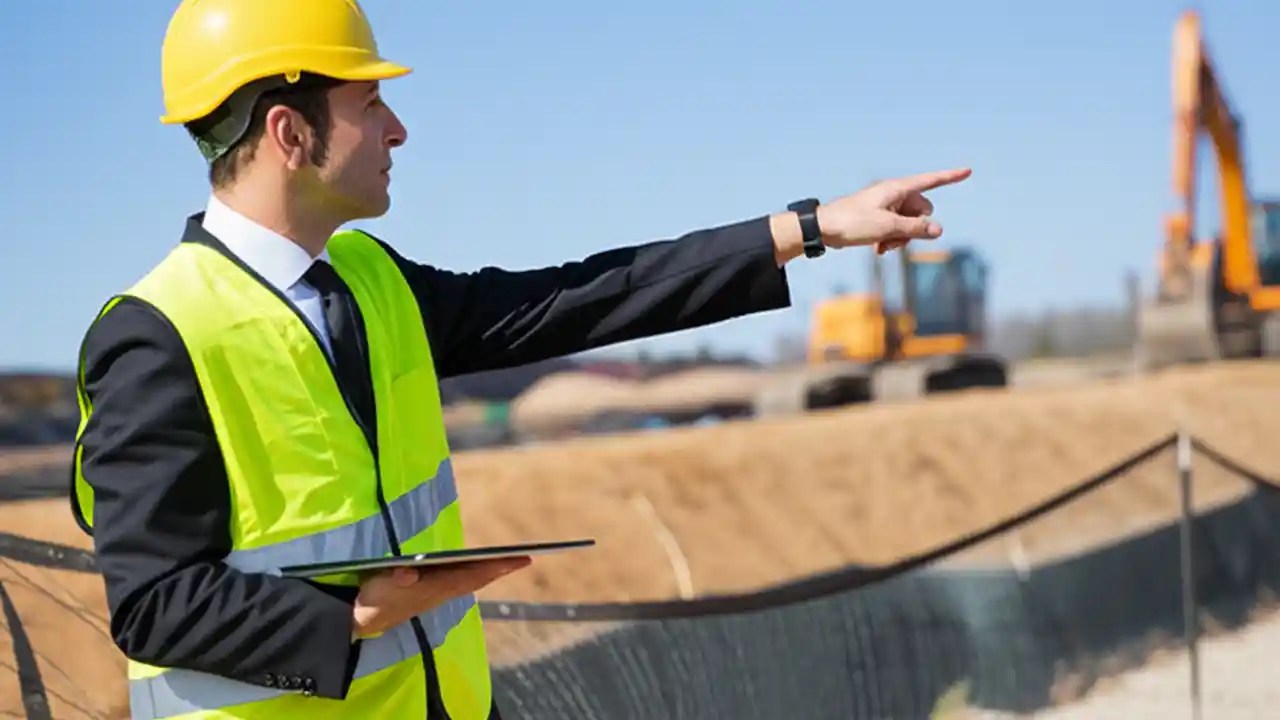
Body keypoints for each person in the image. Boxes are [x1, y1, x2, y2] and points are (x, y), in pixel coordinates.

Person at [68, 1, 971, 718]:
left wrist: (807, 230)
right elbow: (152, 602)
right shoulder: (156, 334)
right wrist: (356, 613)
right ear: (288, 134)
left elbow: (574, 299)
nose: (398, 129)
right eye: (368, 102)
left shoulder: (373, 281)